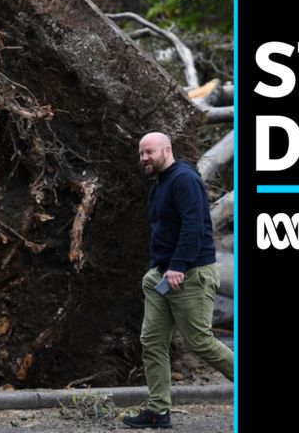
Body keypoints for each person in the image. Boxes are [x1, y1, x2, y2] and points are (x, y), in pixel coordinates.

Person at [123, 132, 234, 429]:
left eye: (150, 152)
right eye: (141, 153)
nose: (144, 157)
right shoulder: (160, 184)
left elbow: (195, 225)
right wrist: (157, 269)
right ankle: (159, 411)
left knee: (200, 342)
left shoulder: (183, 179)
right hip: (162, 276)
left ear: (166, 150)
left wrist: (178, 266)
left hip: (189, 275)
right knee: (152, 342)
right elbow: (164, 230)